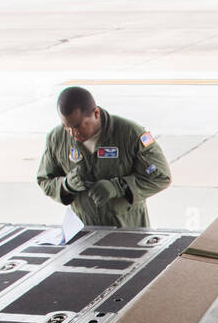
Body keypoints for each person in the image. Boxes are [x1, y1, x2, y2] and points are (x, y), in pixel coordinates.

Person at [37, 86, 171, 227]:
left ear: (96, 113)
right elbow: (45, 180)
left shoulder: (130, 134)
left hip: (127, 229)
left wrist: (119, 187)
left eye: (78, 126)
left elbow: (161, 177)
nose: (72, 133)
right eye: (66, 126)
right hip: (83, 232)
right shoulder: (57, 138)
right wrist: (66, 185)